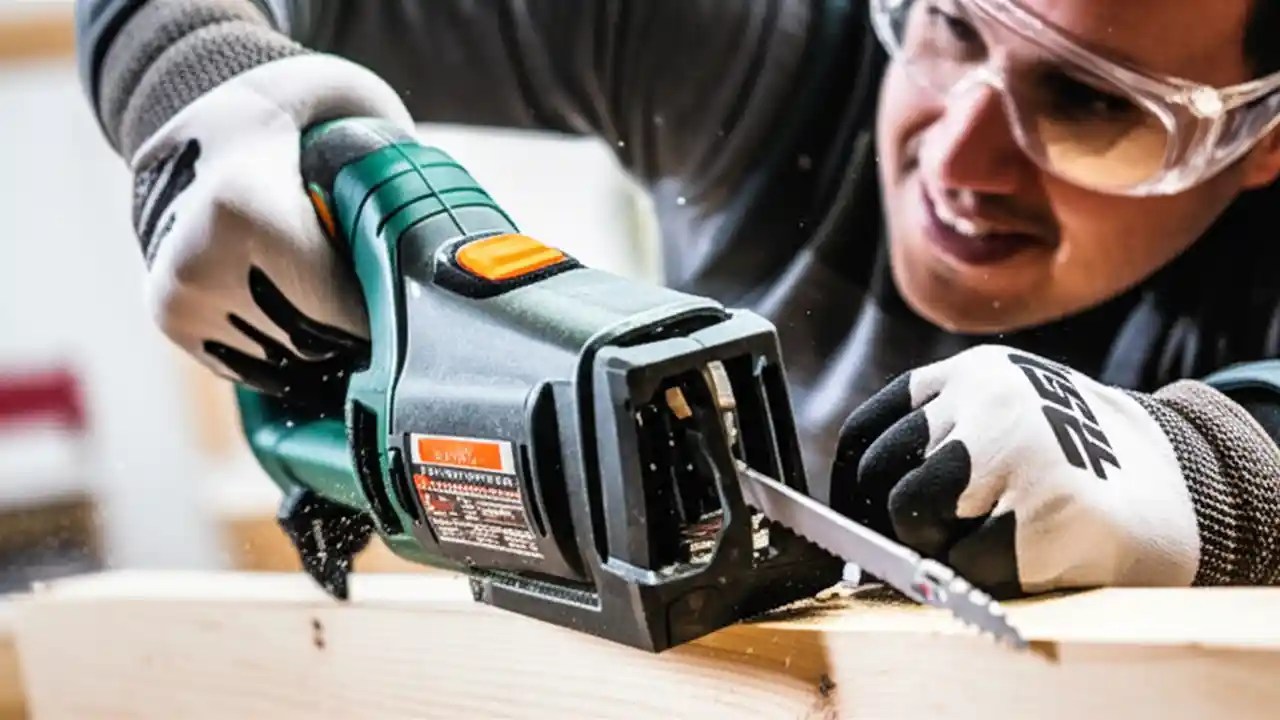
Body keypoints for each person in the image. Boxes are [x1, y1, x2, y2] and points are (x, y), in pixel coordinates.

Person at [73, 0, 1280, 598]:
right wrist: (199, 86)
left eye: (1089, 106)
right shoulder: (756, 48)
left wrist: (1215, 474)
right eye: (951, 25)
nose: (954, 160)